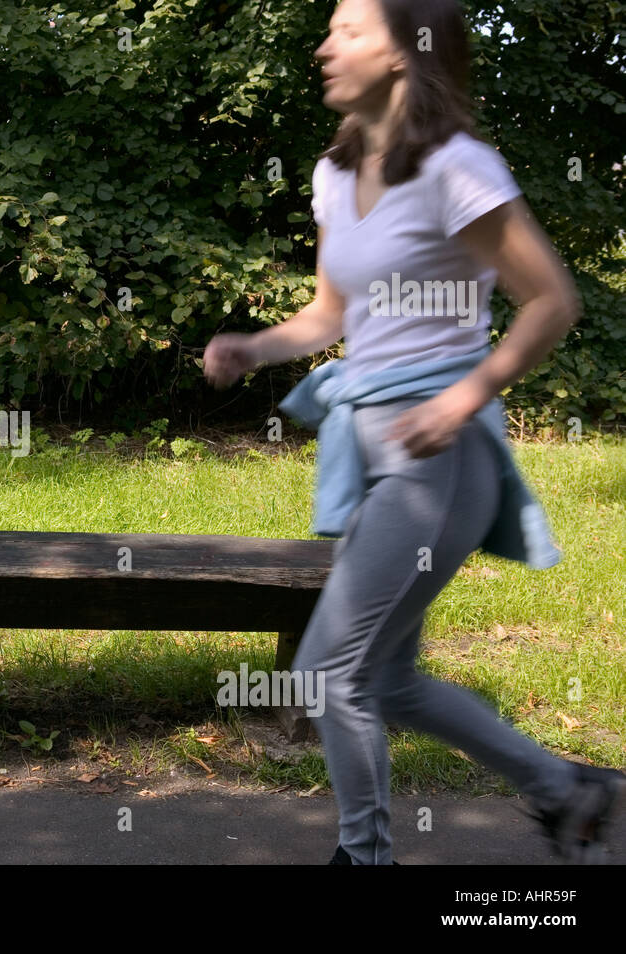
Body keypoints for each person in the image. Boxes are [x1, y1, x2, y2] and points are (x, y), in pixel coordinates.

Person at [204, 0, 623, 864]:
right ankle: (566, 788)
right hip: (373, 448)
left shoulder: (454, 169)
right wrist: (255, 346)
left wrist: (466, 397)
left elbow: (551, 301)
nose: (326, 45)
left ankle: (365, 857)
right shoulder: (336, 172)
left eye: (349, 30)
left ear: (404, 53)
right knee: (385, 679)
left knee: (328, 671)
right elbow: (330, 312)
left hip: (441, 457)